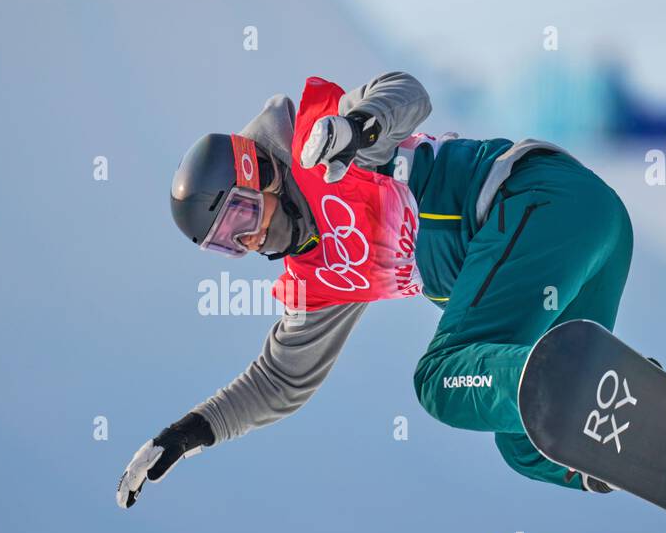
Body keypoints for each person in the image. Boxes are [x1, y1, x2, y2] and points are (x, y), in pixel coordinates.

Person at [116, 72, 634, 509]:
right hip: (591, 233)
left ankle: (566, 381)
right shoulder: (321, 277)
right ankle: (630, 436)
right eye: (229, 243)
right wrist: (187, 434)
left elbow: (407, 93)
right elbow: (279, 382)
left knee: (442, 381)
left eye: (240, 215)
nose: (249, 240)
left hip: (533, 201)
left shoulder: (321, 149)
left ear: (264, 174)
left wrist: (358, 127)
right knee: (531, 443)